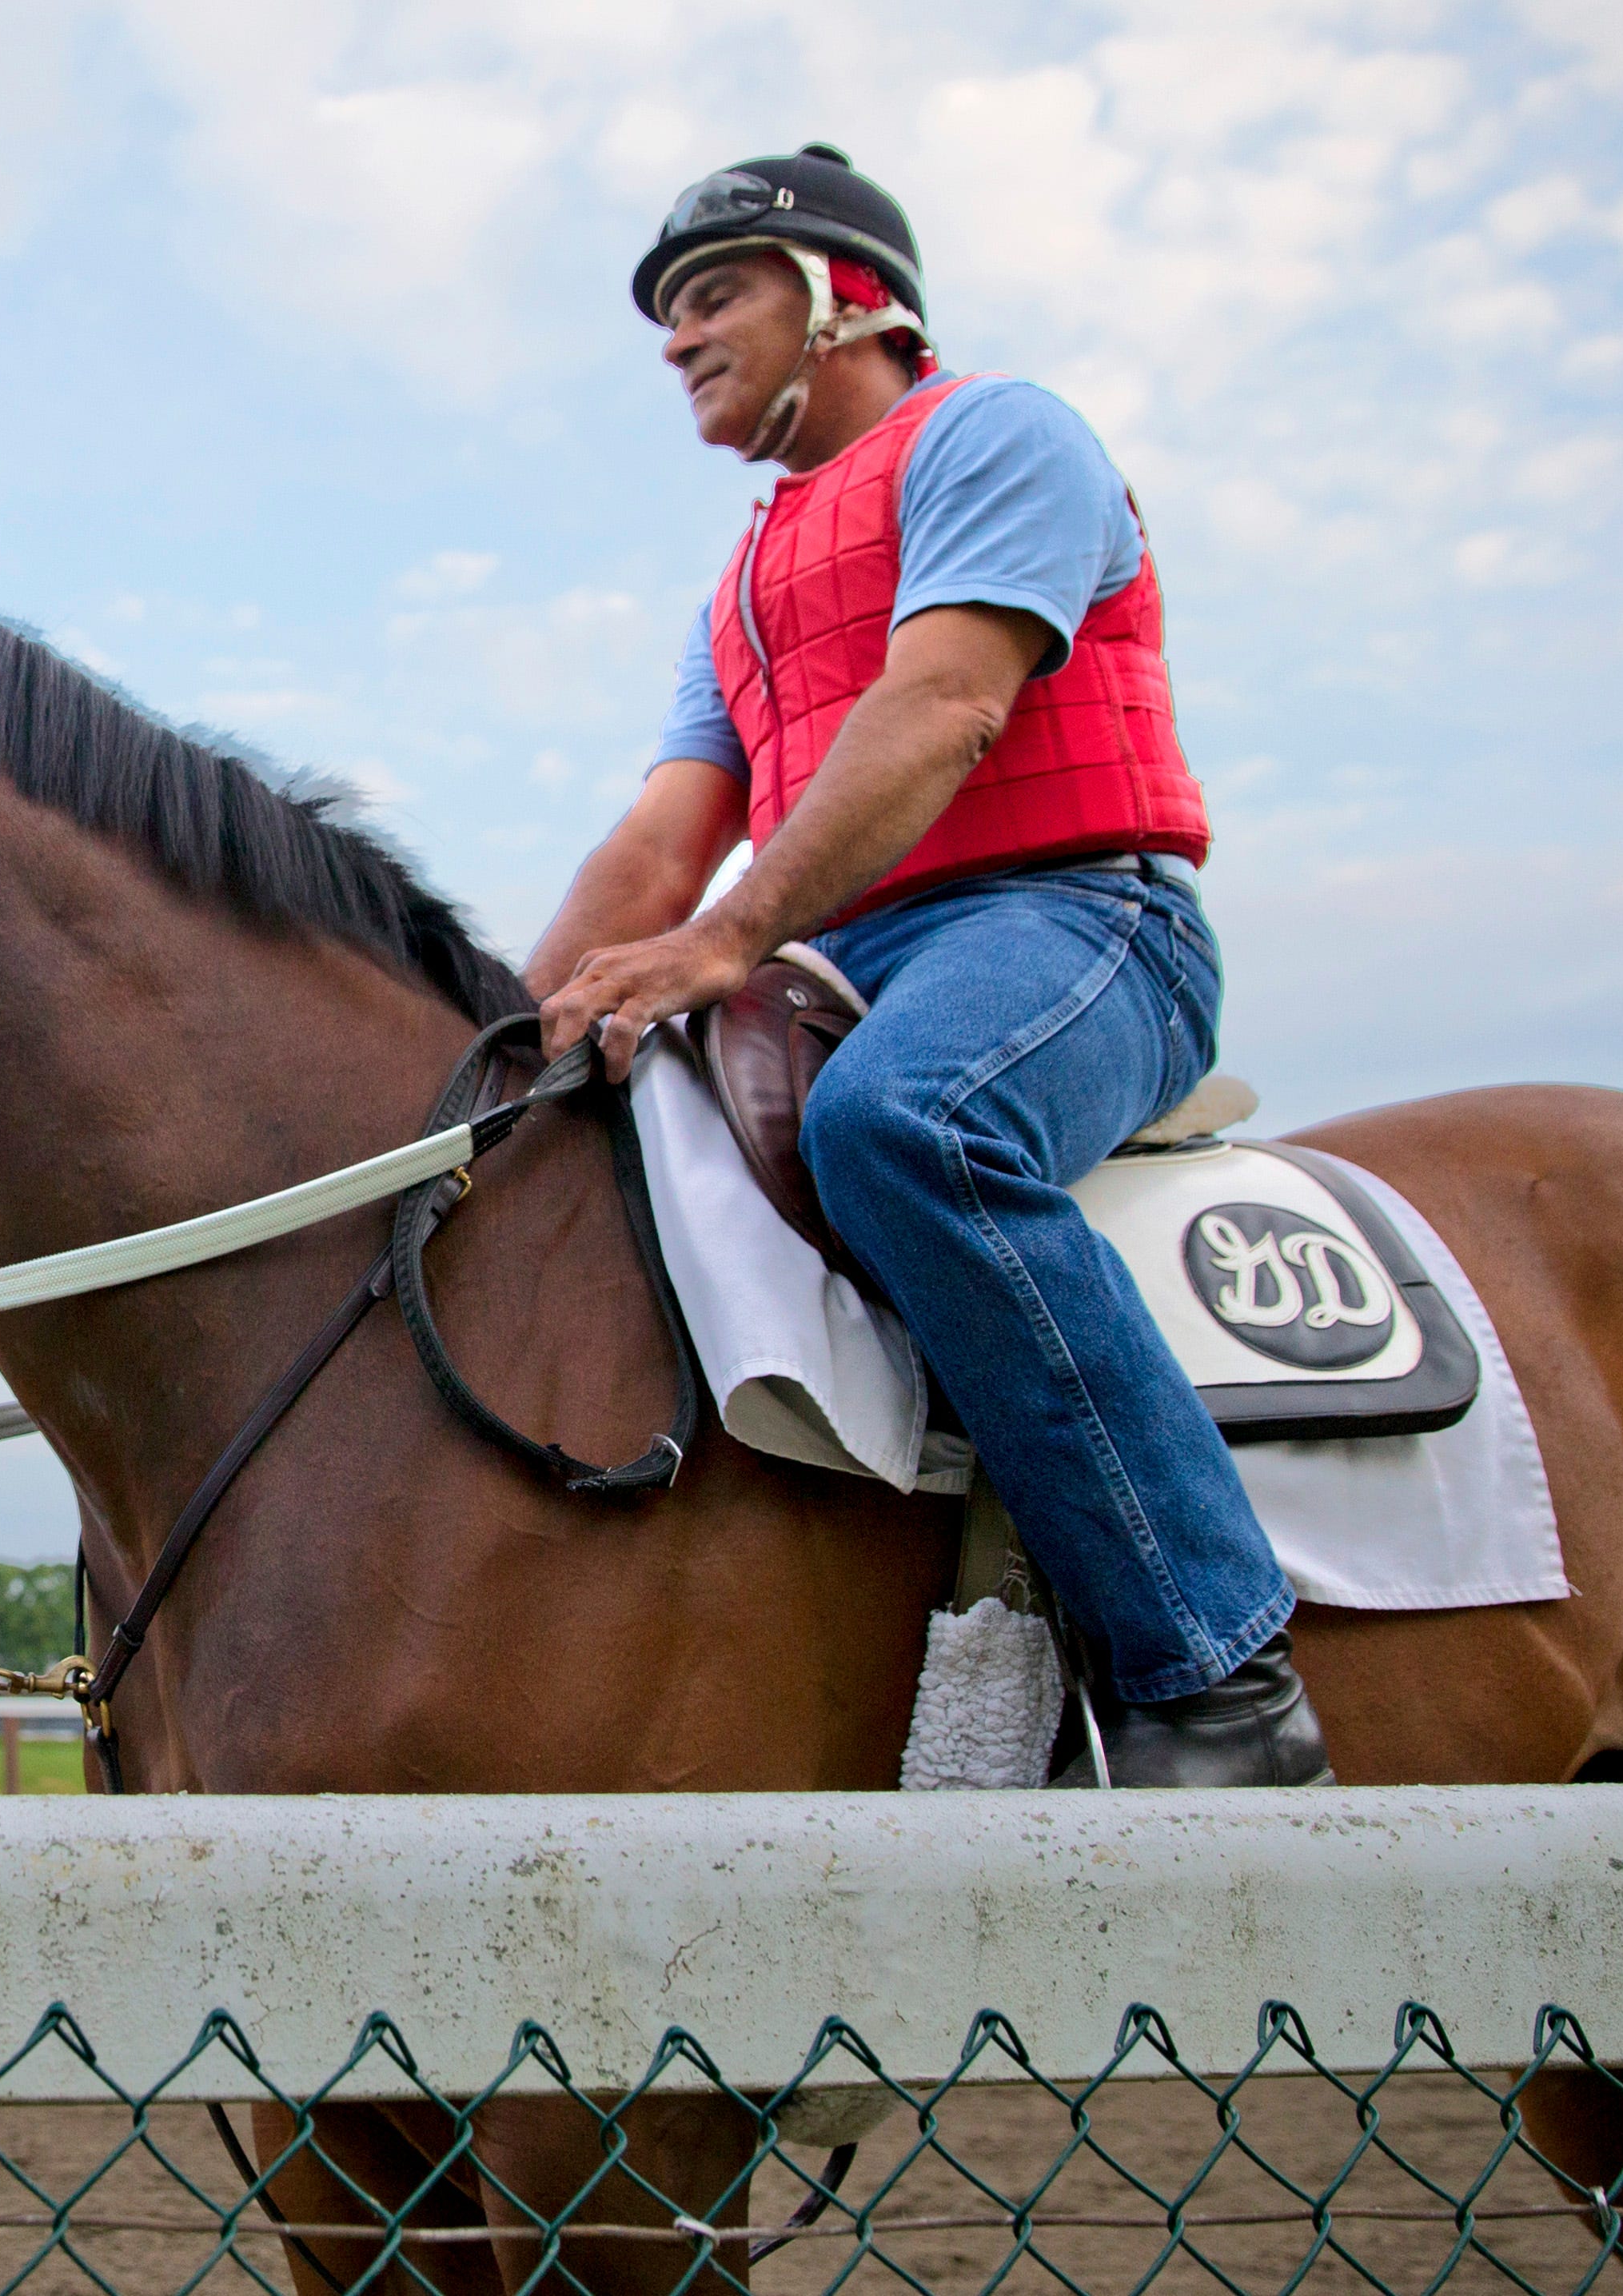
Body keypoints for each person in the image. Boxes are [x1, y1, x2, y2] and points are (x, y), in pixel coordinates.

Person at [527, 142, 1329, 1788]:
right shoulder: (741, 586)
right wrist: (494, 1044)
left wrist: (731, 938)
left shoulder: (996, 435)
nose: (676, 339)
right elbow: (664, 841)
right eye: (667, 315)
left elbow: (945, 704)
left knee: (910, 1123)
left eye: (710, 295)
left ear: (849, 299)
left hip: (1083, 925)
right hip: (853, 951)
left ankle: (1213, 1669)